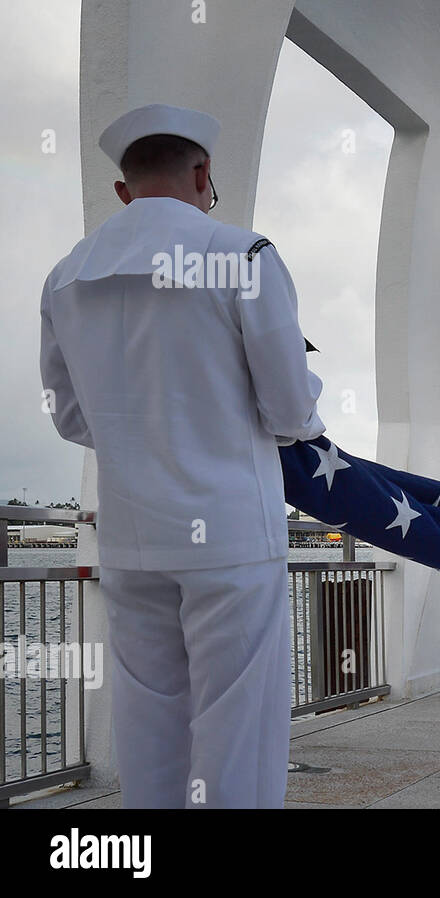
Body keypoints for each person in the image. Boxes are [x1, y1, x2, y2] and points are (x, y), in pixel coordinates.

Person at [38, 104, 324, 807]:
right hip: (230, 536)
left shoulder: (66, 278)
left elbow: (70, 416)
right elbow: (291, 412)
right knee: (238, 733)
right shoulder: (244, 255)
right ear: (202, 174)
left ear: (122, 190)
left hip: (133, 541)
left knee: (148, 731)